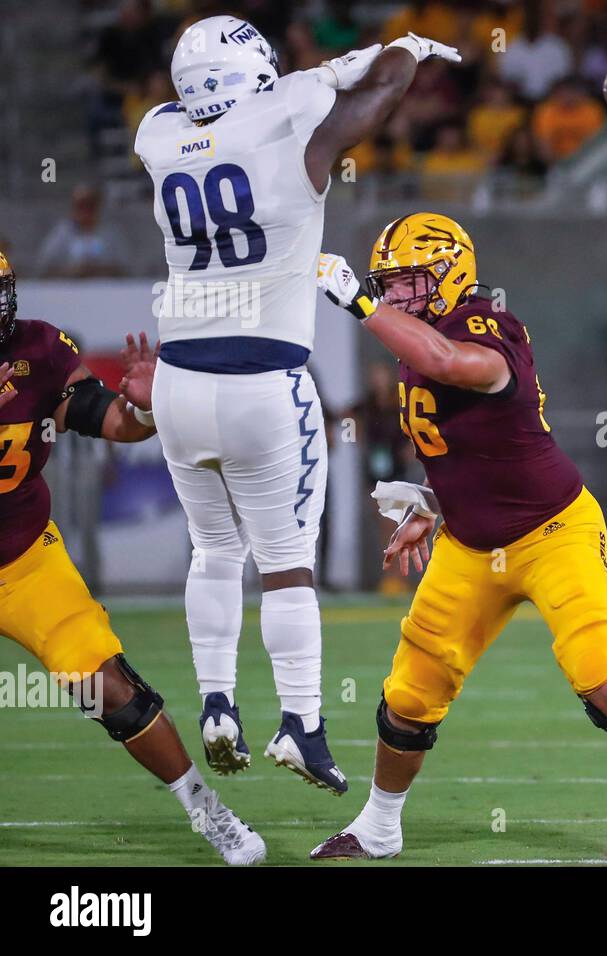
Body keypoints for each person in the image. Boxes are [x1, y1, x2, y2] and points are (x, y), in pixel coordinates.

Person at [308, 214, 607, 860]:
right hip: (469, 545)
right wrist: (432, 504)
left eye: (407, 283)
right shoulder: (416, 343)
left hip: (553, 531)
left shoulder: (485, 325)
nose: (395, 297)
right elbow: (483, 448)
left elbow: (454, 364)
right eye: (387, 286)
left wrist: (356, 303)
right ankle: (379, 827)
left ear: (449, 275)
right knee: (409, 694)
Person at [133, 15, 460, 794]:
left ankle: (217, 702)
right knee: (287, 567)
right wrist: (404, 48)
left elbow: (233, 107)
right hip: (264, 380)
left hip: (178, 381)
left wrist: (323, 76)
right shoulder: (290, 127)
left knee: (213, 552)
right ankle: (301, 725)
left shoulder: (155, 135)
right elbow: (380, 89)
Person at [0, 252, 263, 864]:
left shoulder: (35, 350)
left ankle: (208, 811)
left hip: (23, 561)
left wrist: (146, 406)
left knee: (109, 686)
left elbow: (112, 422)